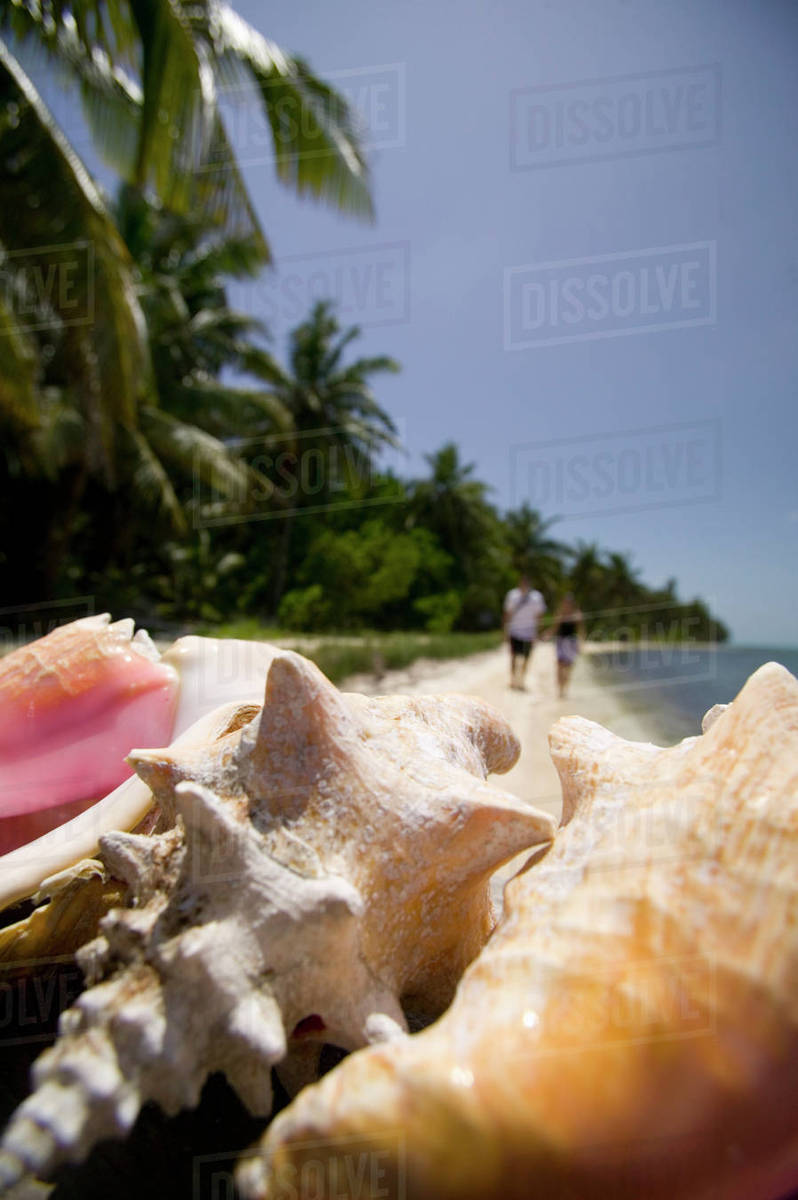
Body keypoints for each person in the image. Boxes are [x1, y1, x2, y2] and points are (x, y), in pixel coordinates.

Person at [503, 574, 546, 690]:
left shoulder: (536, 597)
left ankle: (521, 679)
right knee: (513, 656)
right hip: (514, 631)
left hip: (529, 634)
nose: (524, 584)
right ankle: (513, 679)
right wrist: (505, 631)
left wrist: (538, 632)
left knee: (527, 658)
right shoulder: (512, 595)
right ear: (519, 583)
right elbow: (507, 614)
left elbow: (540, 616)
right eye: (523, 582)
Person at [550, 592, 584, 699]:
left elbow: (580, 630)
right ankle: (560, 690)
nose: (567, 604)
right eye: (566, 602)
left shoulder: (577, 614)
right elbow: (555, 628)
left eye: (569, 602)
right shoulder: (560, 613)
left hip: (571, 643)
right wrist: (547, 635)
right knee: (560, 667)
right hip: (561, 642)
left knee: (568, 669)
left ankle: (564, 690)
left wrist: (581, 643)